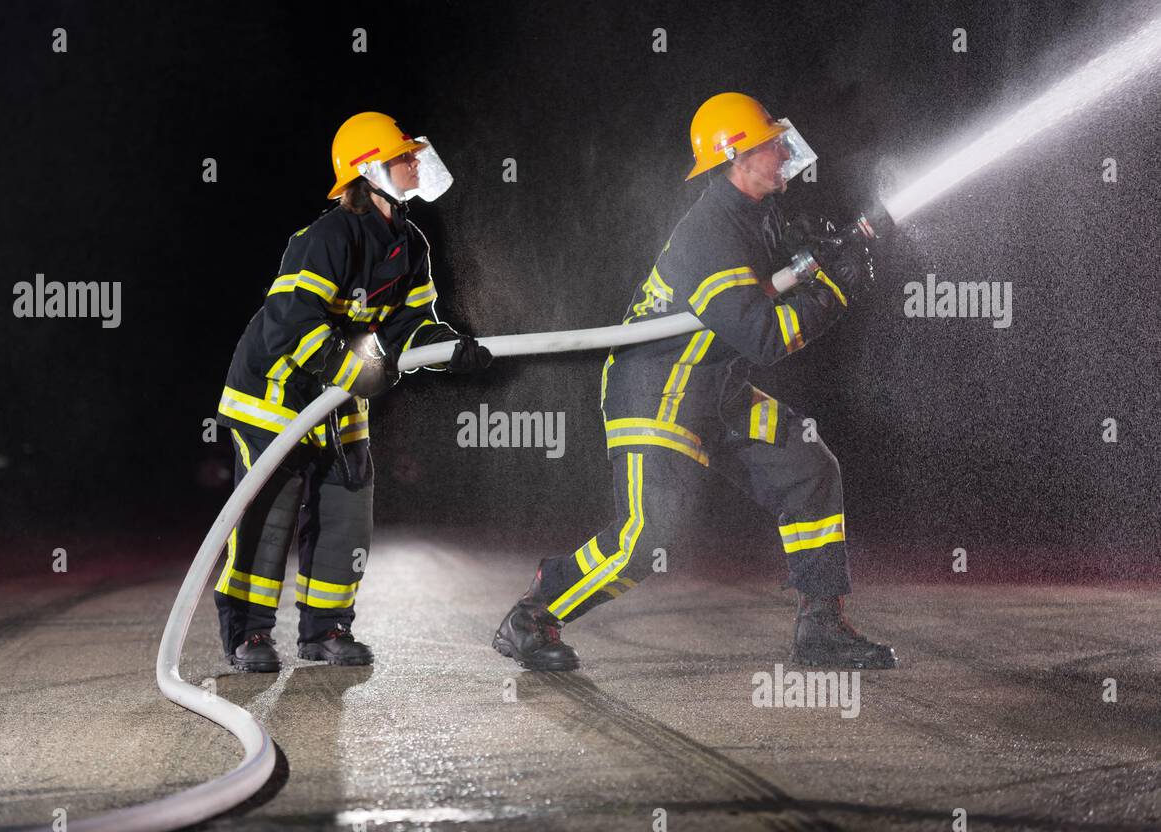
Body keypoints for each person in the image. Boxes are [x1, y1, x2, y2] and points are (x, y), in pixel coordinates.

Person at [493, 92, 896, 672]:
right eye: (770, 144)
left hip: (715, 390)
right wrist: (835, 290)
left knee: (808, 466)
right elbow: (763, 337)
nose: (784, 151)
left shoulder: (757, 213)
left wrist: (826, 250)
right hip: (658, 390)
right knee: (649, 538)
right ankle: (533, 613)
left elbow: (782, 276)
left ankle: (820, 627)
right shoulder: (710, 233)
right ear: (736, 155)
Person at [213, 111, 491, 672]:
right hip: (275, 396)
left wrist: (448, 346)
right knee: (267, 516)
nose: (415, 163)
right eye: (403, 156)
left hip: (339, 395)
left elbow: (409, 324)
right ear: (369, 168)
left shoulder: (409, 242)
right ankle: (248, 636)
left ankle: (326, 631)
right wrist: (351, 369)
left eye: (414, 155)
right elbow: (293, 319)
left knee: (347, 509)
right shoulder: (326, 237)